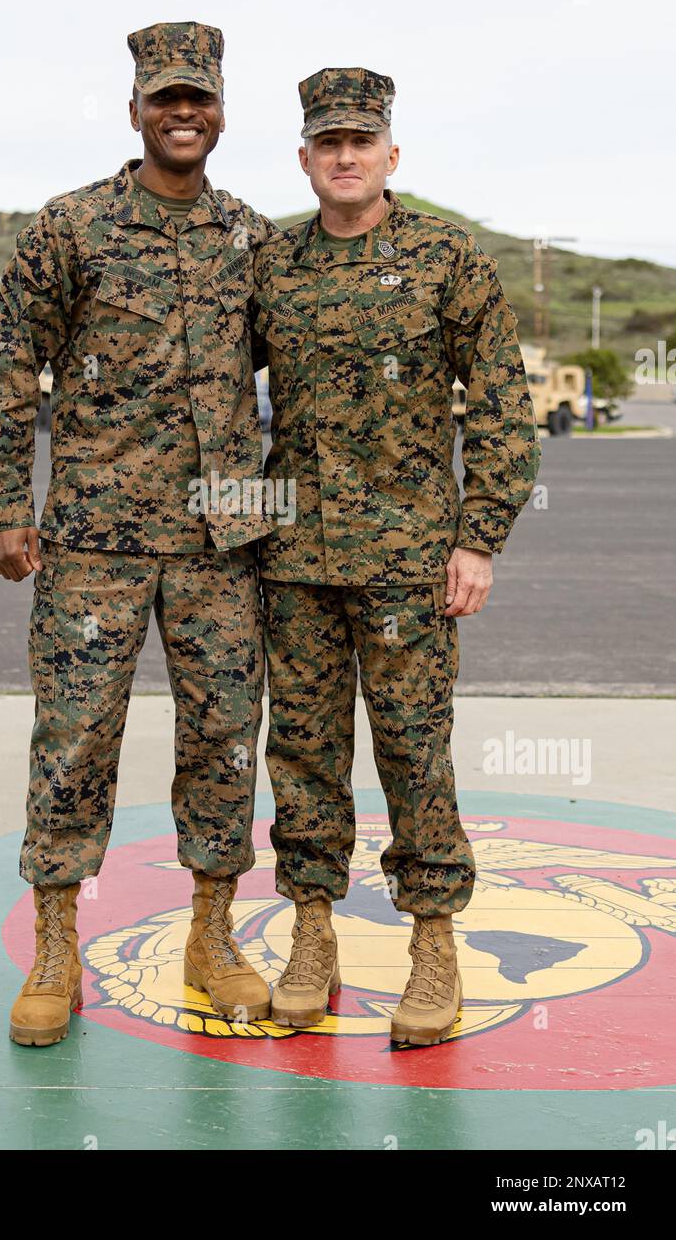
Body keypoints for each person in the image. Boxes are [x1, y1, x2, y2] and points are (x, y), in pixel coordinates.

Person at [0, 22, 278, 1046]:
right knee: (75, 736)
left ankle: (212, 935)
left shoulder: (251, 235)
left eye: (199, 99)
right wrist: (4, 506)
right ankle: (58, 949)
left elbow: (305, 374)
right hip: (94, 538)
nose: (182, 115)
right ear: (136, 110)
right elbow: (11, 367)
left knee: (226, 738)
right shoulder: (74, 226)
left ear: (222, 111)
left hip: (222, 545)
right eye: (165, 100)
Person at [252, 66, 541, 1043]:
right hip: (292, 562)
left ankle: (433, 942)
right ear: (304, 156)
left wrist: (479, 538)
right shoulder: (271, 264)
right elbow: (206, 392)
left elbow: (502, 403)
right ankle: (313, 930)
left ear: (390, 154)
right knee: (302, 756)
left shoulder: (444, 257)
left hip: (410, 562)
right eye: (327, 141)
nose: (343, 155)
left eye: (360, 141)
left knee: (416, 753)